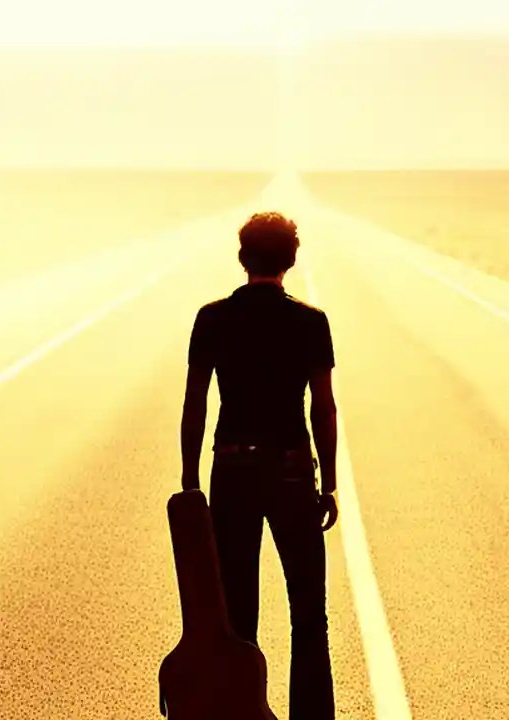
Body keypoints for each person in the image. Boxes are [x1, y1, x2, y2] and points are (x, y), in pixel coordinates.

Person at [179, 211, 339, 720]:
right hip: (292, 473)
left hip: (231, 472)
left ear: (242, 257)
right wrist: (329, 483)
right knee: (309, 614)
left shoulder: (213, 318)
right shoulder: (311, 322)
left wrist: (189, 481)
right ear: (291, 260)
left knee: (236, 615)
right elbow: (323, 407)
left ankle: (241, 712)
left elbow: (195, 403)